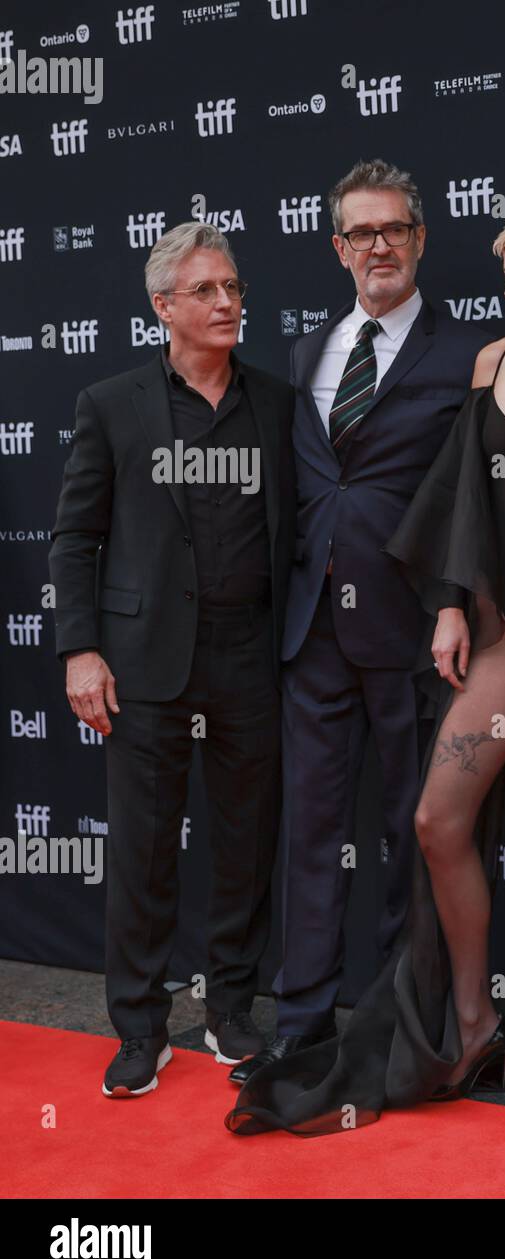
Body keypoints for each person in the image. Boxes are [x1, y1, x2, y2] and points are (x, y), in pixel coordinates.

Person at [225, 206, 505, 1135]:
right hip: (503, 624)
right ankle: (472, 1020)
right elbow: (464, 497)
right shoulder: (493, 364)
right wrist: (454, 606)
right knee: (437, 818)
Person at [231, 159, 488, 1087]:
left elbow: (473, 497)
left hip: (417, 631)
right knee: (309, 830)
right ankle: (302, 1022)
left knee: (414, 834)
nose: (379, 246)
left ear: (420, 239)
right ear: (338, 248)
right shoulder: (309, 351)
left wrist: (453, 599)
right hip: (313, 631)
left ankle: (393, 1022)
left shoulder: (470, 357)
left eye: (394, 230)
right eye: (361, 233)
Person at [49, 221, 296, 1095]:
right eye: (206, 291)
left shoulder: (276, 402)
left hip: (250, 659)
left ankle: (230, 1011)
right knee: (143, 852)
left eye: (233, 288)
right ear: (162, 306)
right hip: (143, 660)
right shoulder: (111, 403)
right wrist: (81, 650)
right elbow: (75, 538)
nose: (227, 303)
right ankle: (139, 1028)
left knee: (245, 845)